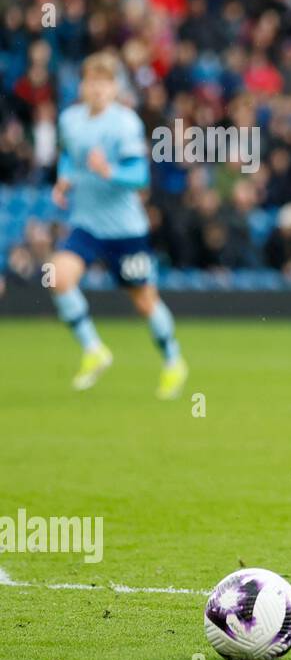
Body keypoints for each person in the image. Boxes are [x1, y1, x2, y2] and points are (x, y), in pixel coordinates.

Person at [48, 51, 188, 399]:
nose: (96, 88)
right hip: (87, 223)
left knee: (143, 302)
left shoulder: (125, 123)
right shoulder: (70, 120)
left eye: (103, 82)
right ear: (82, 85)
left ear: (114, 88)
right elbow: (68, 156)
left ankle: (173, 361)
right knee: (57, 276)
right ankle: (94, 349)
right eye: (90, 81)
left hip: (126, 230)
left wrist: (108, 171)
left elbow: (139, 176)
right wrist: (64, 180)